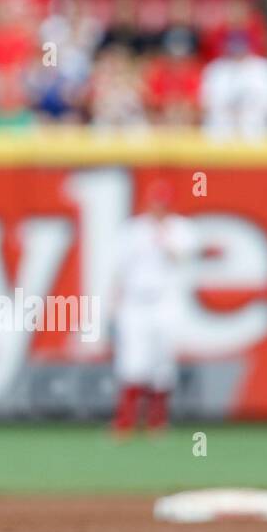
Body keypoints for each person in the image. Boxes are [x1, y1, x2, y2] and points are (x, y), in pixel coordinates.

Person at [110, 180, 198, 435]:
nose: (158, 209)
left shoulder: (180, 229)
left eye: (163, 205)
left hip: (165, 300)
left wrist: (164, 239)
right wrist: (114, 300)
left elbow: (182, 258)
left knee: (162, 362)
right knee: (132, 361)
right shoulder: (133, 230)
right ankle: (125, 421)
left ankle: (157, 422)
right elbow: (119, 269)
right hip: (135, 301)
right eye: (155, 204)